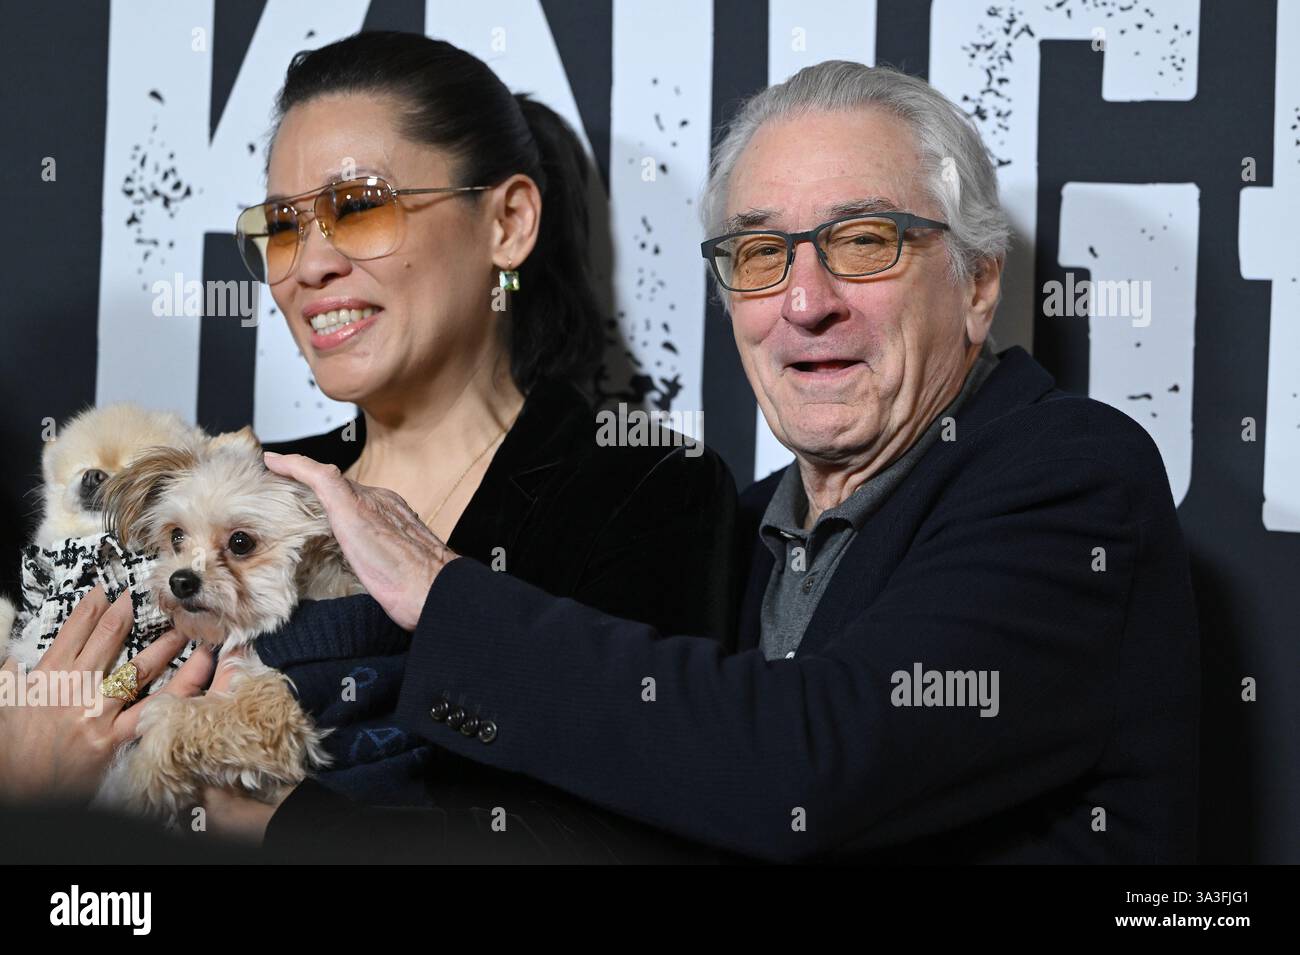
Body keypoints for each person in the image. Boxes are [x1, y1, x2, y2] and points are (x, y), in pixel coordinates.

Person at [216, 59, 1198, 864]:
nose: (804, 301)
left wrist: (442, 594)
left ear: (978, 282)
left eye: (861, 242)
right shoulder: (749, 528)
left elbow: (809, 766)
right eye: (760, 254)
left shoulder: (1069, 475)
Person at [0, 31, 735, 863]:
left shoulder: (642, 492)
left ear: (509, 221)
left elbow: (626, 834)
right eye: (282, 226)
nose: (308, 264)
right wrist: (27, 792)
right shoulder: (238, 484)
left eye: (357, 206)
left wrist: (295, 826)